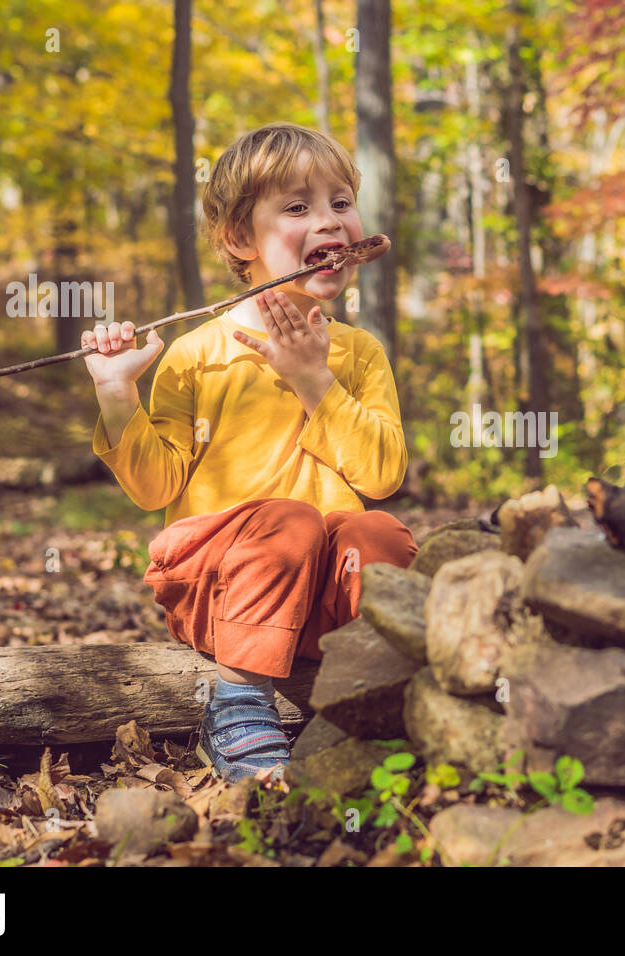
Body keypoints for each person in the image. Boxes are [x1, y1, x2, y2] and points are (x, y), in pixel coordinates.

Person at [81, 122, 417, 782]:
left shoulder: (358, 354)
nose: (329, 221)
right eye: (297, 208)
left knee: (377, 533)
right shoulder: (196, 355)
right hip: (217, 579)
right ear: (239, 239)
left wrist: (314, 379)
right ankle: (236, 704)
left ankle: (369, 701)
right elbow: (155, 488)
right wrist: (119, 393)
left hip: (321, 593)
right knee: (289, 520)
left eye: (341, 202)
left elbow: (382, 475)